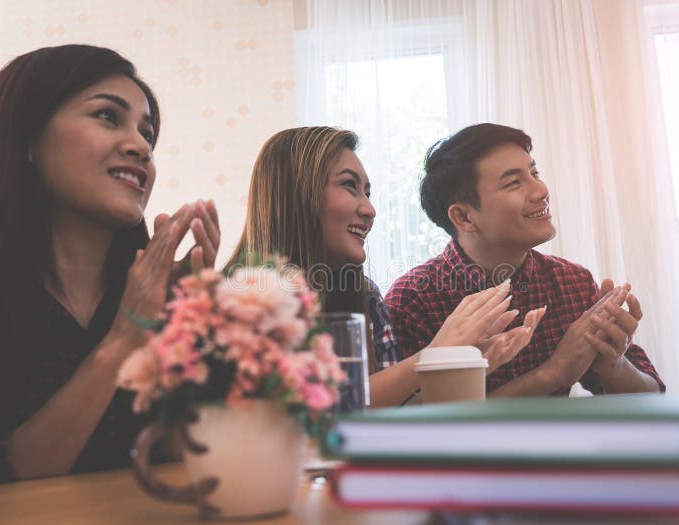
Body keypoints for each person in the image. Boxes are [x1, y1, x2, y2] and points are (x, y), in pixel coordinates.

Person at [0, 45, 220, 484]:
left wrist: (183, 328)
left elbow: (184, 460)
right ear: (27, 138)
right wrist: (123, 338)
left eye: (148, 135)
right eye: (108, 116)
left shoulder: (143, 292)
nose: (141, 148)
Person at [226, 126, 546, 407]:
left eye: (367, 192)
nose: (369, 209)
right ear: (297, 193)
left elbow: (387, 415)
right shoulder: (234, 301)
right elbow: (303, 415)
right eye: (350, 186)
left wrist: (463, 363)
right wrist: (435, 354)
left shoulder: (364, 295)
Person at [385, 123, 665, 396]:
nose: (541, 191)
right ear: (464, 217)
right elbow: (419, 426)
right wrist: (552, 372)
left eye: (535, 173)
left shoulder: (572, 282)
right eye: (513, 183)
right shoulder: (413, 299)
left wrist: (614, 364)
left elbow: (653, 394)